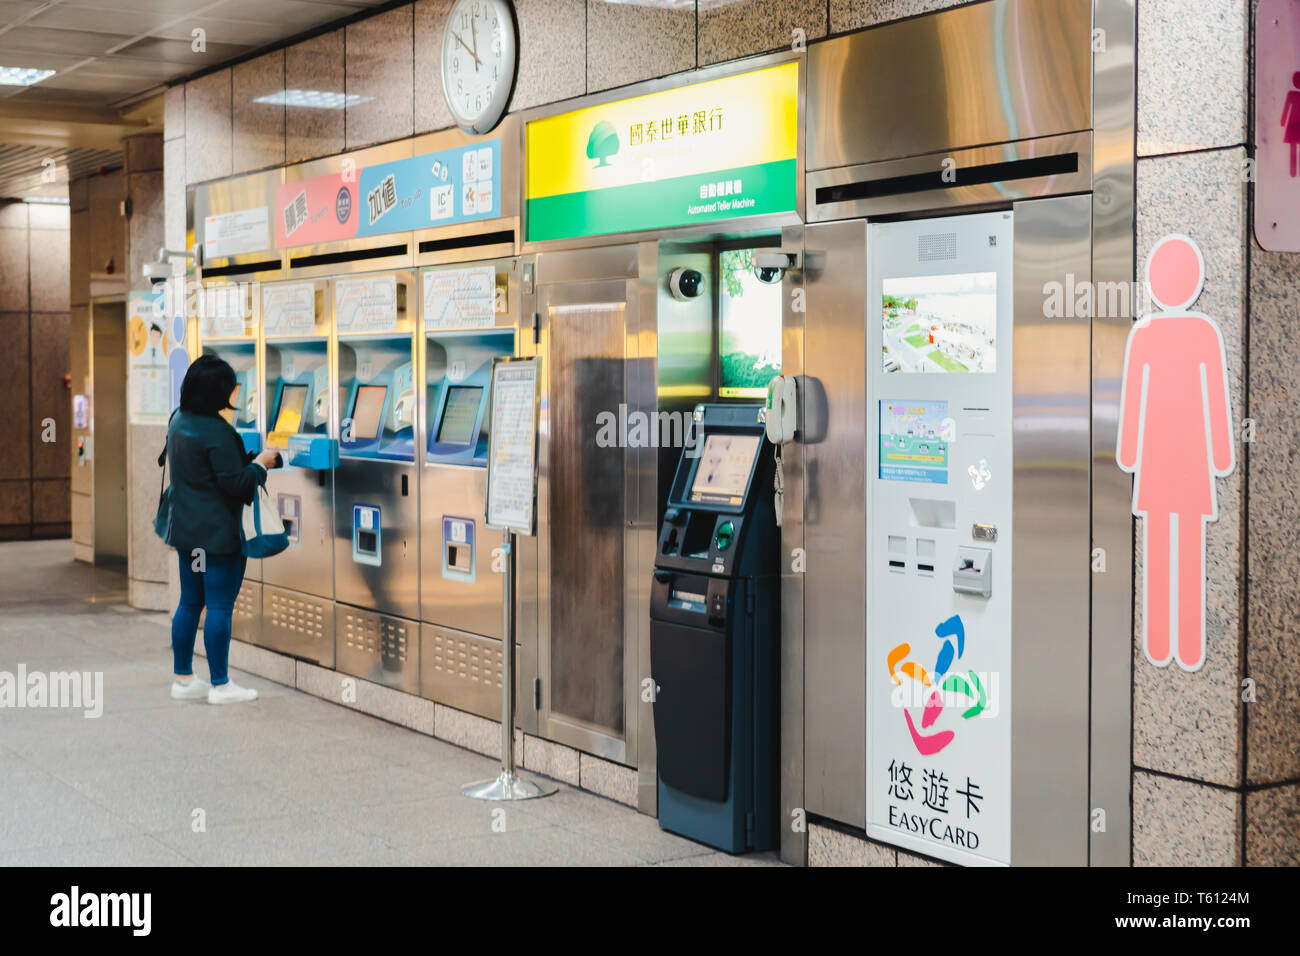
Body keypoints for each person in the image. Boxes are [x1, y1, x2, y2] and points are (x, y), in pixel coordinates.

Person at [164, 354, 281, 703]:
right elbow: (239, 485)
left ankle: (183, 678)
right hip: (216, 536)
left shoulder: (178, 420)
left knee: (189, 603)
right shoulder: (216, 431)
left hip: (188, 533)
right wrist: (262, 463)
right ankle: (220, 685)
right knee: (218, 606)